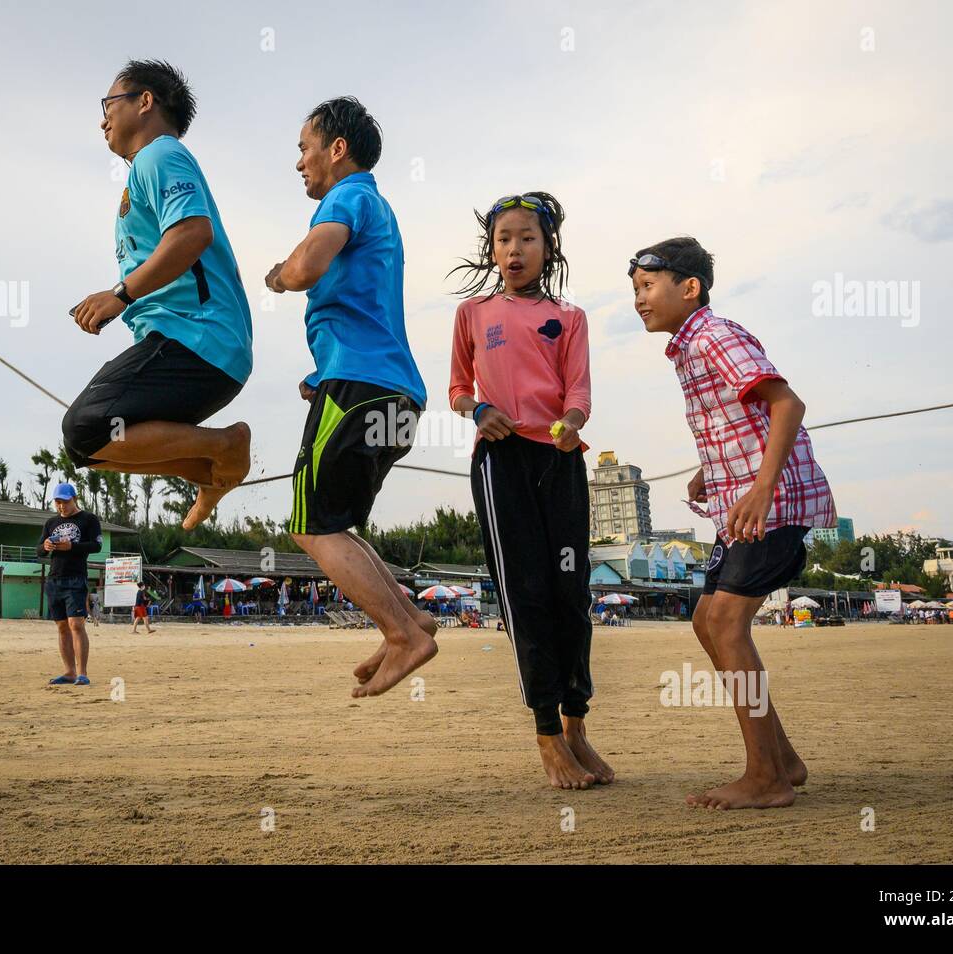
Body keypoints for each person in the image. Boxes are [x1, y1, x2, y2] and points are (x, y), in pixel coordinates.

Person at [633, 236, 835, 809]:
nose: (640, 300)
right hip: (738, 508)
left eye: (648, 287)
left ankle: (765, 779)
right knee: (706, 619)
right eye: (636, 291)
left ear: (689, 287)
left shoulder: (716, 336)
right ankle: (783, 760)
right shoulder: (689, 347)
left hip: (770, 507)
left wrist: (761, 488)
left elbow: (786, 404)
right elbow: (737, 419)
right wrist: (708, 471)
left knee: (725, 623)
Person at [264, 96, 435, 697]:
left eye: (304, 149)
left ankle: (403, 634)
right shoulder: (378, 208)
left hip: (362, 388)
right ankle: (411, 618)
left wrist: (279, 274)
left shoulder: (348, 196)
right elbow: (361, 305)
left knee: (310, 527)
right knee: (336, 523)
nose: (300, 163)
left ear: (337, 150)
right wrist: (327, 373)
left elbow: (308, 266)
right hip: (392, 394)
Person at [448, 192, 611, 791]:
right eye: (503, 239)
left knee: (573, 595)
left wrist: (572, 423)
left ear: (548, 248)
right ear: (491, 250)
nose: (513, 249)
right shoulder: (473, 313)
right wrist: (478, 409)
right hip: (502, 462)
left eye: (526, 238)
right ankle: (545, 735)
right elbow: (457, 389)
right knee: (526, 595)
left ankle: (576, 726)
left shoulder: (570, 318)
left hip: (560, 461)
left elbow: (580, 393)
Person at [64, 60, 253, 530]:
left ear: (144, 101)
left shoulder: (160, 155)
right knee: (89, 447)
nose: (103, 118)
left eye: (109, 103)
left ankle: (224, 446)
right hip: (185, 345)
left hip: (197, 339)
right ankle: (212, 473)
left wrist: (118, 296)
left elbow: (192, 234)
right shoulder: (144, 171)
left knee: (85, 427)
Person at [39, 484, 103, 687]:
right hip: (54, 579)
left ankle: (82, 673)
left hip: (76, 579)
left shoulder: (88, 519)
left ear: (74, 498)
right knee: (62, 627)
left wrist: (72, 546)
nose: (61, 506)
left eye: (65, 502)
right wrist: (46, 546)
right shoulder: (51, 522)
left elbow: (96, 545)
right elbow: (39, 551)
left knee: (76, 624)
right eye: (58, 502)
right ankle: (68, 672)